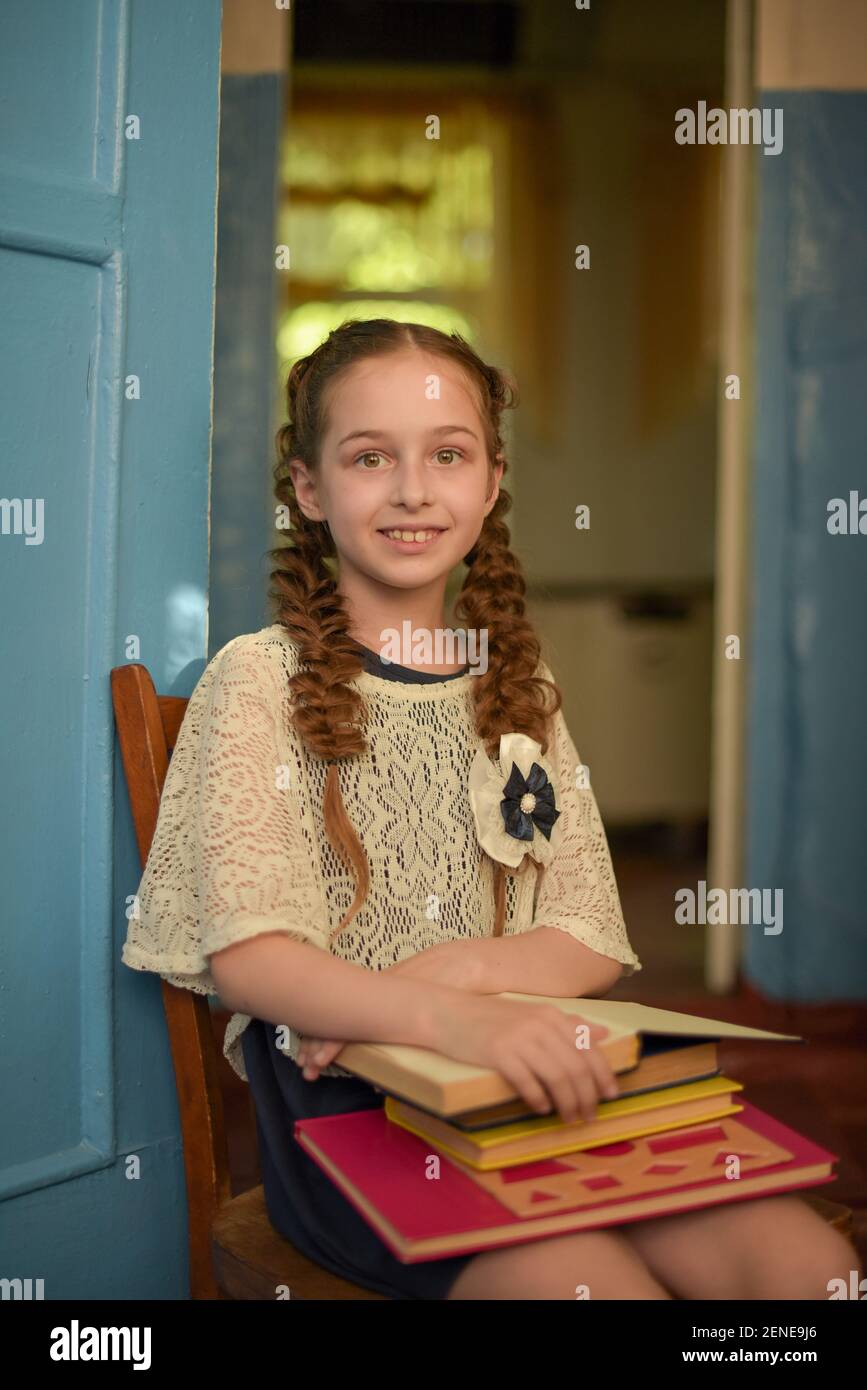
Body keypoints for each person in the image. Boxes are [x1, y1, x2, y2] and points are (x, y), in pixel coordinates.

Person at [123, 318, 856, 1301]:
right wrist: (446, 1020)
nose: (415, 490)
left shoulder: (513, 682)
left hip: (530, 1083)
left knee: (813, 1267)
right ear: (307, 488)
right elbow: (249, 957)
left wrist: (461, 981)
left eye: (449, 456)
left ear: (493, 479)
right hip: (357, 1124)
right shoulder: (261, 679)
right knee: (589, 1282)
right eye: (370, 457)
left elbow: (587, 932)